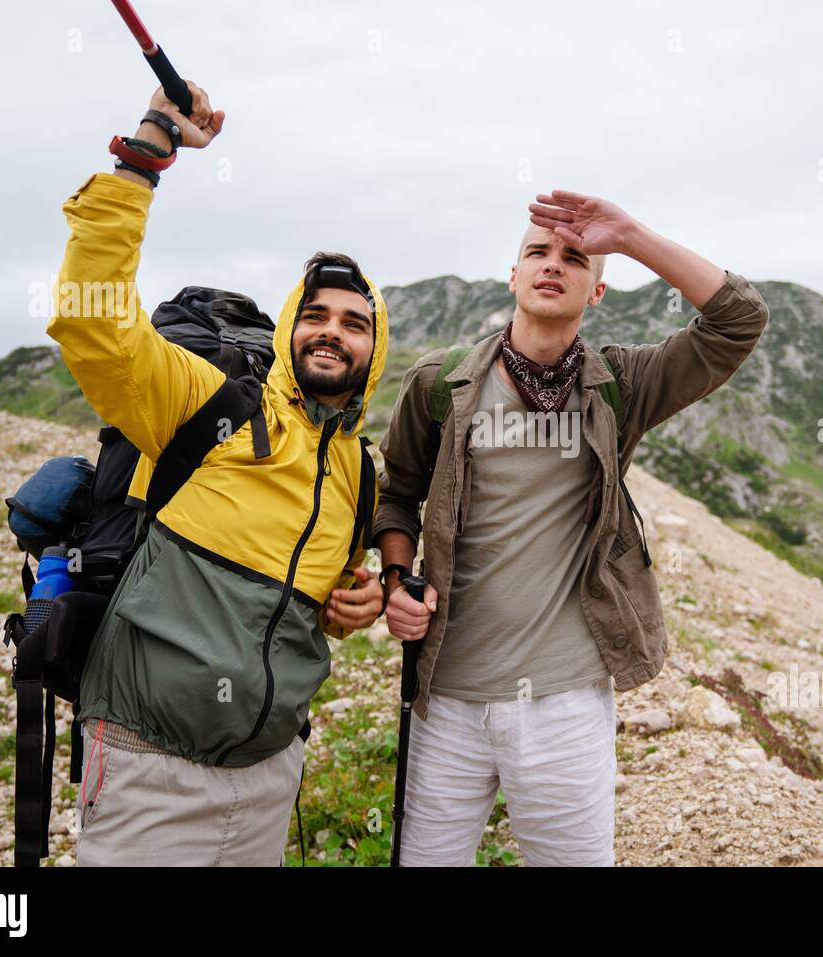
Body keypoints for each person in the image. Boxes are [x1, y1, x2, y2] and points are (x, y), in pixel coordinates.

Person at [375, 189, 770, 865]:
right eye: (536, 252)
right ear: (514, 276)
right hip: (444, 700)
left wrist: (631, 234)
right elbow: (396, 497)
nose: (552, 263)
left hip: (565, 705)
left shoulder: (622, 383)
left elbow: (738, 321)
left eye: (574, 257)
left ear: (597, 290)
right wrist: (394, 577)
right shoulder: (440, 385)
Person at [49, 80, 387, 866]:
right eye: (315, 314)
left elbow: (310, 607)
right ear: (289, 328)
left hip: (270, 774)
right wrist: (146, 155)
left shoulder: (355, 473)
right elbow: (92, 319)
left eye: (354, 322)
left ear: (375, 351)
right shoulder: (209, 404)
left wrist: (353, 604)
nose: (331, 332)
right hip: (148, 767)